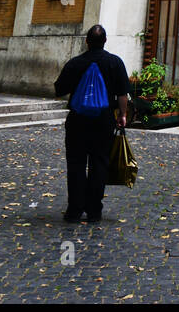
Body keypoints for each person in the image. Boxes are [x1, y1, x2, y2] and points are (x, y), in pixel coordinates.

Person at [54, 25, 130, 223]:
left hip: (78, 120)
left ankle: (75, 210)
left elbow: (59, 89)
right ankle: (95, 211)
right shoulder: (115, 63)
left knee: (76, 164)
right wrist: (122, 115)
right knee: (100, 163)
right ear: (105, 41)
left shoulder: (75, 63)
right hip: (104, 120)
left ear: (86, 41)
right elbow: (122, 94)